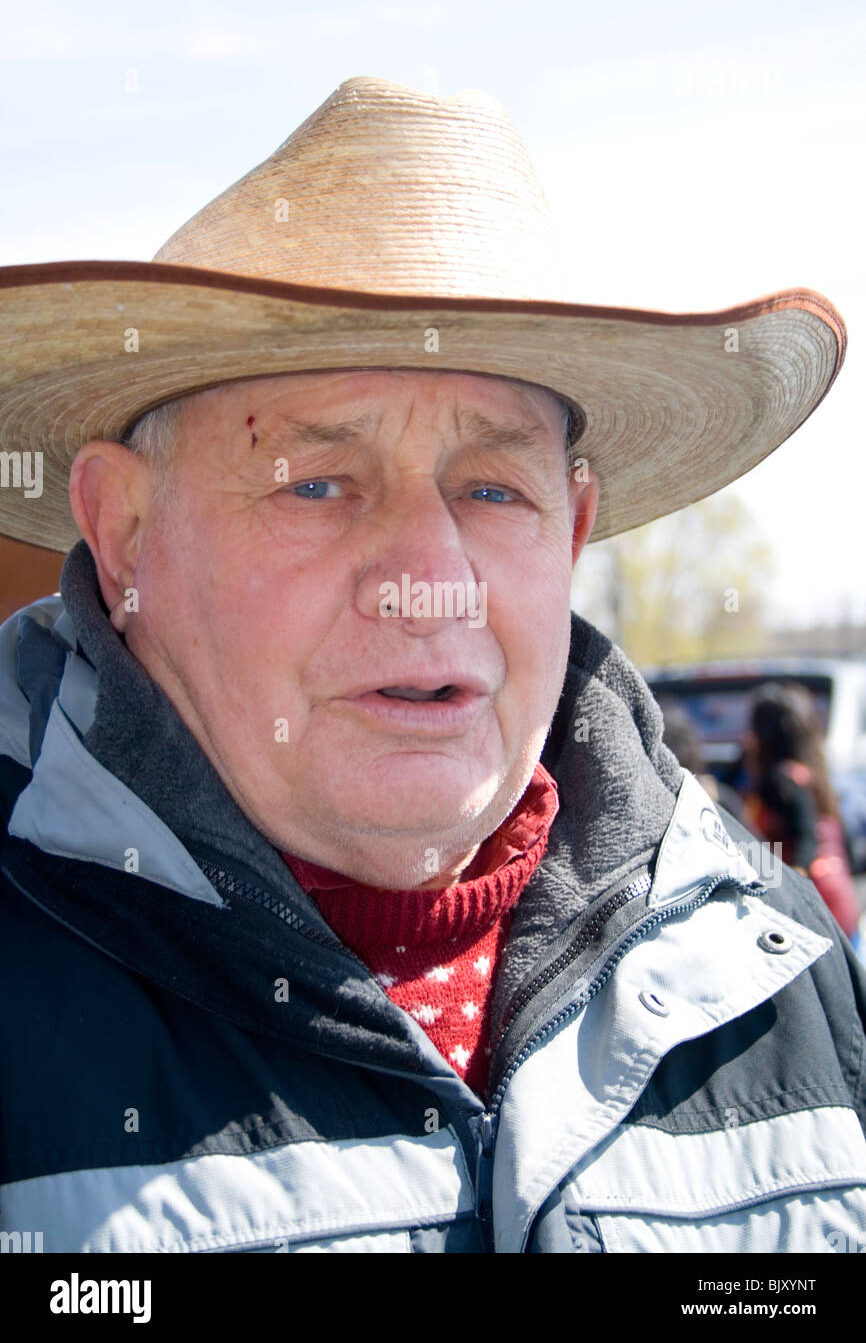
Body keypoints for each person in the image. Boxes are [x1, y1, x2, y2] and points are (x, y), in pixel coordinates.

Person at [1, 76, 865, 1255]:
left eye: (492, 488)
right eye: (314, 481)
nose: (430, 576)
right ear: (126, 529)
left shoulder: (773, 970)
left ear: (568, 533)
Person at [743, 682, 862, 939]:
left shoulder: (779, 782)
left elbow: (804, 837)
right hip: (841, 899)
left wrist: (787, 891)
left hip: (816, 909)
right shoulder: (815, 777)